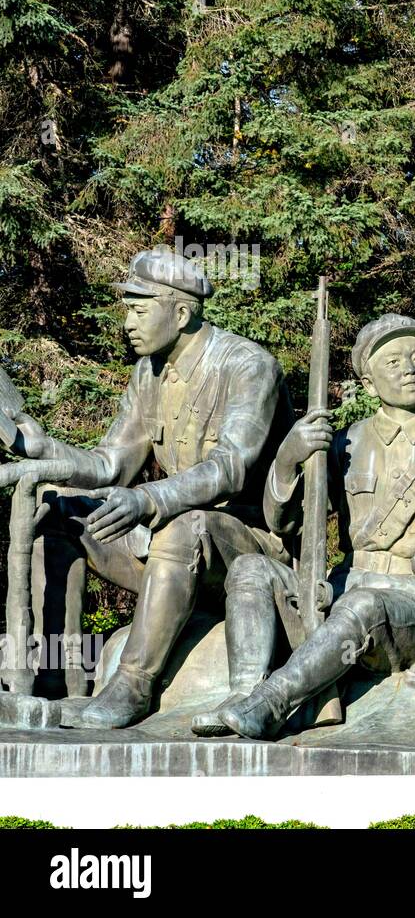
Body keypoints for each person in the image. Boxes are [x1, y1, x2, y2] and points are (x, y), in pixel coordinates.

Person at [3, 248, 291, 728]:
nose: (128, 322)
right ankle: (60, 680)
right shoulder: (149, 372)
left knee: (186, 528)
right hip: (169, 541)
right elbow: (110, 463)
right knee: (57, 512)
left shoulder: (247, 366)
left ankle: (134, 683)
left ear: (180, 313)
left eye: (139, 309)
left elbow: (230, 469)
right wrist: (44, 446)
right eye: (126, 309)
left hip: (248, 545)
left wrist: (148, 499)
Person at [202, 315, 415, 740]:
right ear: (369, 384)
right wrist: (287, 460)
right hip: (338, 588)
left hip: (413, 603)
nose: (410, 368)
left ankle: (273, 702)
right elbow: (286, 522)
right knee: (250, 570)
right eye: (393, 362)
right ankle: (242, 694)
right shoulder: (343, 443)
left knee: (366, 605)